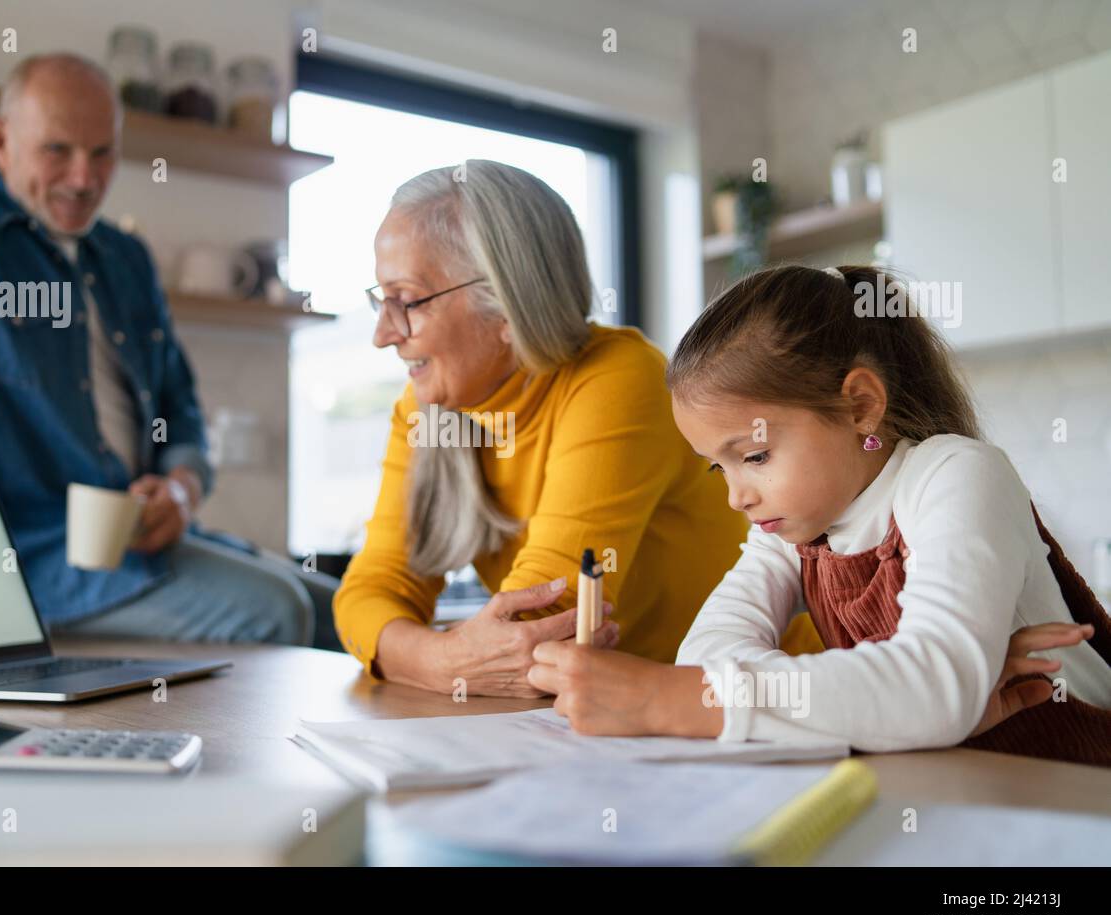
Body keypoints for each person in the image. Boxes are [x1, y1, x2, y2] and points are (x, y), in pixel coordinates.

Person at [0, 52, 337, 648]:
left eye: (103, 153)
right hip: (26, 565)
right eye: (58, 150)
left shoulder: (126, 257)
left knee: (343, 611)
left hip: (146, 545)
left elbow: (178, 406)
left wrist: (180, 487)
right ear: (1, 140)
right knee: (279, 611)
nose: (84, 178)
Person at [527, 264, 1111, 766]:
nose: (737, 496)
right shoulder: (793, 531)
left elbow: (931, 690)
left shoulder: (956, 475)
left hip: (1082, 787)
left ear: (859, 406)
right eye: (718, 467)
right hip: (967, 785)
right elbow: (706, 656)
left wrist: (660, 698)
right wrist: (904, 697)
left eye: (755, 456)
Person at [333, 160, 821, 694]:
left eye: (407, 301)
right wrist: (442, 660)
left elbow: (546, 628)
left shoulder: (617, 379)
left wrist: (422, 654)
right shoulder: (427, 410)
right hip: (604, 724)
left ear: (504, 300)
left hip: (752, 704)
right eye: (382, 301)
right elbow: (368, 592)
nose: (384, 334)